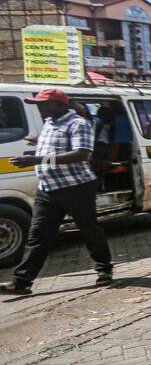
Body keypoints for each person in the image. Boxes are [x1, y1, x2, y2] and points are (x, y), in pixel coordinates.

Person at [1, 89, 112, 295]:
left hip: (76, 188)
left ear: (60, 105)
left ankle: (104, 270)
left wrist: (37, 160)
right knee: (38, 236)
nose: (39, 107)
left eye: (44, 104)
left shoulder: (79, 124)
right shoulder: (49, 124)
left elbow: (81, 154)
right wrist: (38, 144)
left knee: (89, 230)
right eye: (38, 104)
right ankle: (22, 281)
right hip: (48, 189)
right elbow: (54, 150)